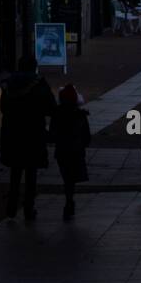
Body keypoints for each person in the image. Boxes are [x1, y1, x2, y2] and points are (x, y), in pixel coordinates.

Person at [0, 54, 57, 220]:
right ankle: (28, 207)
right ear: (34, 67)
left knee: (15, 171)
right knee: (31, 172)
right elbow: (51, 108)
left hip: (13, 131)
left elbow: (4, 108)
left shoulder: (8, 84)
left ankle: (11, 206)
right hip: (33, 131)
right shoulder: (39, 83)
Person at [51, 84, 91, 221]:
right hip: (76, 150)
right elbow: (87, 136)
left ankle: (69, 199)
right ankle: (69, 200)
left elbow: (52, 134)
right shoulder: (80, 115)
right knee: (71, 178)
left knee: (66, 176)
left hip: (62, 150)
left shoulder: (57, 114)